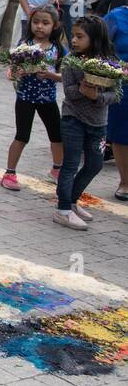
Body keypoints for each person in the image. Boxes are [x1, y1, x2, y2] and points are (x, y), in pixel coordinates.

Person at [54, 16, 120, 230]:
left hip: (99, 123)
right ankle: (63, 210)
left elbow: (115, 93)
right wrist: (83, 89)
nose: (73, 40)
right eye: (73, 36)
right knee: (70, 164)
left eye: (80, 37)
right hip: (73, 119)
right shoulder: (70, 61)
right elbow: (70, 93)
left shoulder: (110, 63)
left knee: (95, 164)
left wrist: (97, 97)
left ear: (95, 38)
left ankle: (72, 201)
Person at [0, 6, 65, 193]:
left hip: (48, 100)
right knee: (22, 136)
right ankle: (9, 173)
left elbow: (65, 76)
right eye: (36, 22)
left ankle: (57, 170)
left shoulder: (58, 49)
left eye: (45, 23)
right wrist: (16, 72)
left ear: (55, 26)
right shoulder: (24, 45)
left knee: (57, 136)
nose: (40, 27)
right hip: (25, 98)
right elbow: (12, 70)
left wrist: (51, 76)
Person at [102, 3, 128, 201]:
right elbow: (99, 45)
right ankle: (125, 182)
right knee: (121, 135)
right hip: (123, 86)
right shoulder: (116, 16)